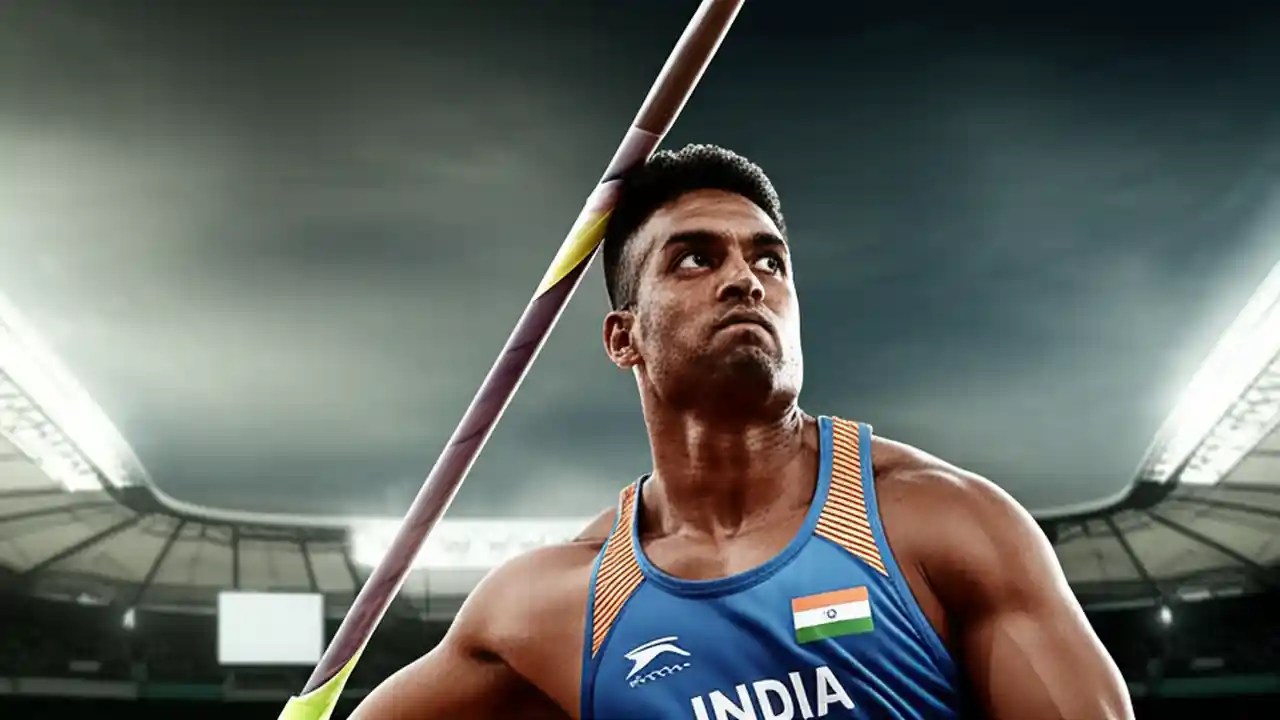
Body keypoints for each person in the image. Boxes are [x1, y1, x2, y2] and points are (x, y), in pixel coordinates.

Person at [351, 144, 1133, 719]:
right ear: (623, 337)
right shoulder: (550, 606)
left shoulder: (941, 521)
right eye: (694, 259)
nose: (745, 279)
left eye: (770, 260)